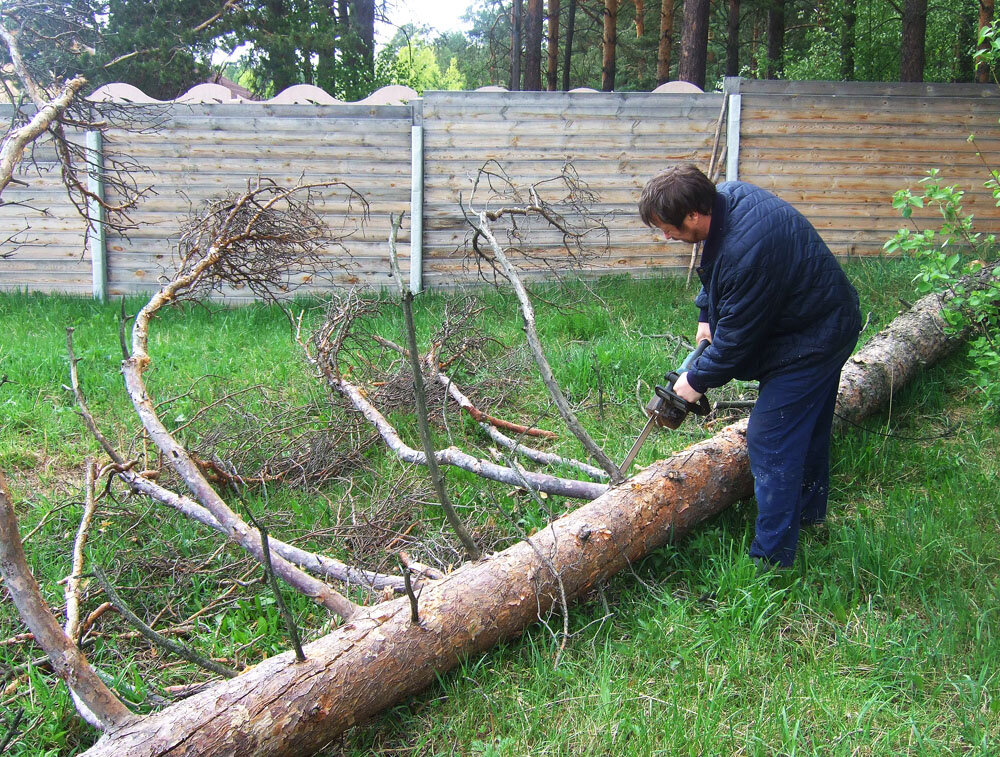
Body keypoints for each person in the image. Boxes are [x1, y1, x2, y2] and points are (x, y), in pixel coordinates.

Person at [638, 165, 862, 568]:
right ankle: (809, 516)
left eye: (667, 227)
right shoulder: (727, 198)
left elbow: (736, 345)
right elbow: (716, 265)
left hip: (814, 339)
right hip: (814, 319)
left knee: (770, 438)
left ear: (693, 214)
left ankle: (771, 559)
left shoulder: (748, 250)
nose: (666, 236)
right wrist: (706, 312)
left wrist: (695, 382)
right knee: (805, 429)